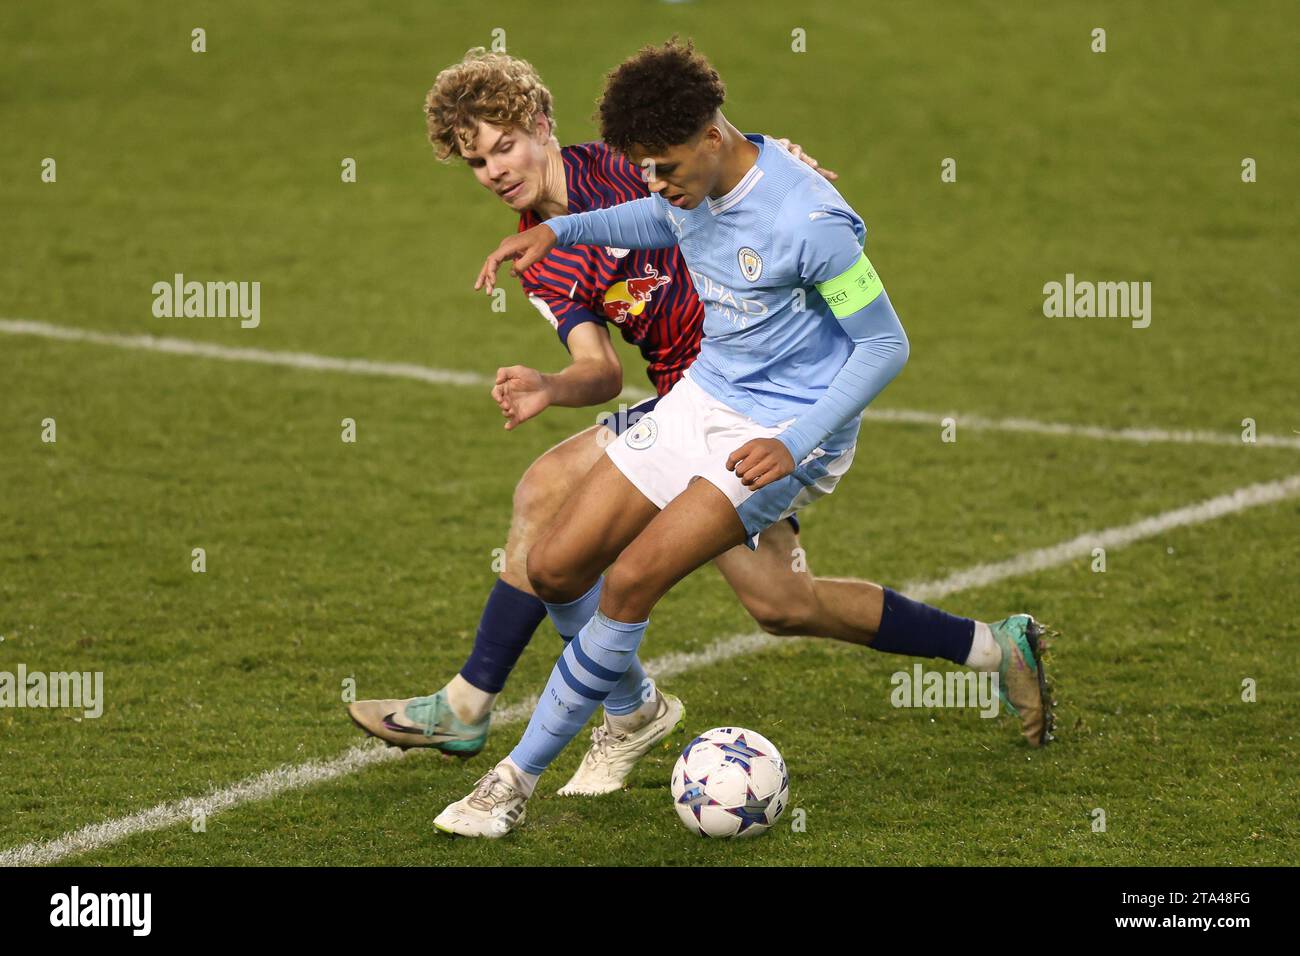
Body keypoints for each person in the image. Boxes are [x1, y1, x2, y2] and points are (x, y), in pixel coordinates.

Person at [435, 40, 1053, 839]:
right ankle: (995, 649)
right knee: (563, 566)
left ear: (712, 139)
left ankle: (511, 782)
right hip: (702, 396)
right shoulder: (680, 185)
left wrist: (795, 443)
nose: (655, 183)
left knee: (629, 584)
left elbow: (885, 345)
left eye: (663, 166)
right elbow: (655, 216)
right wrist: (564, 234)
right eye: (644, 167)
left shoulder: (811, 219)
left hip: (782, 431)